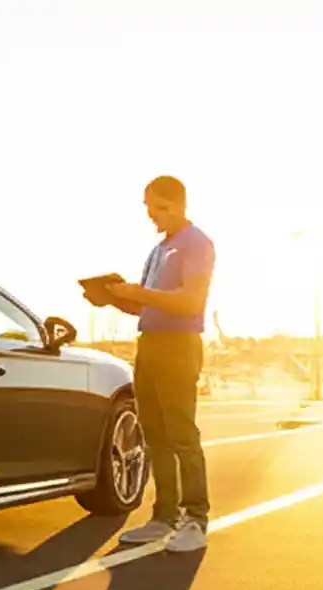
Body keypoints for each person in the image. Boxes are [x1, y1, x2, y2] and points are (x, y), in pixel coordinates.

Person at [88, 175, 215, 553]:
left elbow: (190, 302)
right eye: (146, 206)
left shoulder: (198, 243)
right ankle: (164, 517)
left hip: (179, 346)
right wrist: (113, 297)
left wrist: (139, 293)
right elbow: (146, 304)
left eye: (154, 207)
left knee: (181, 435)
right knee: (154, 434)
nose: (149, 214)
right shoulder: (159, 250)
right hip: (151, 345)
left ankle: (196, 519)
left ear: (175, 204)